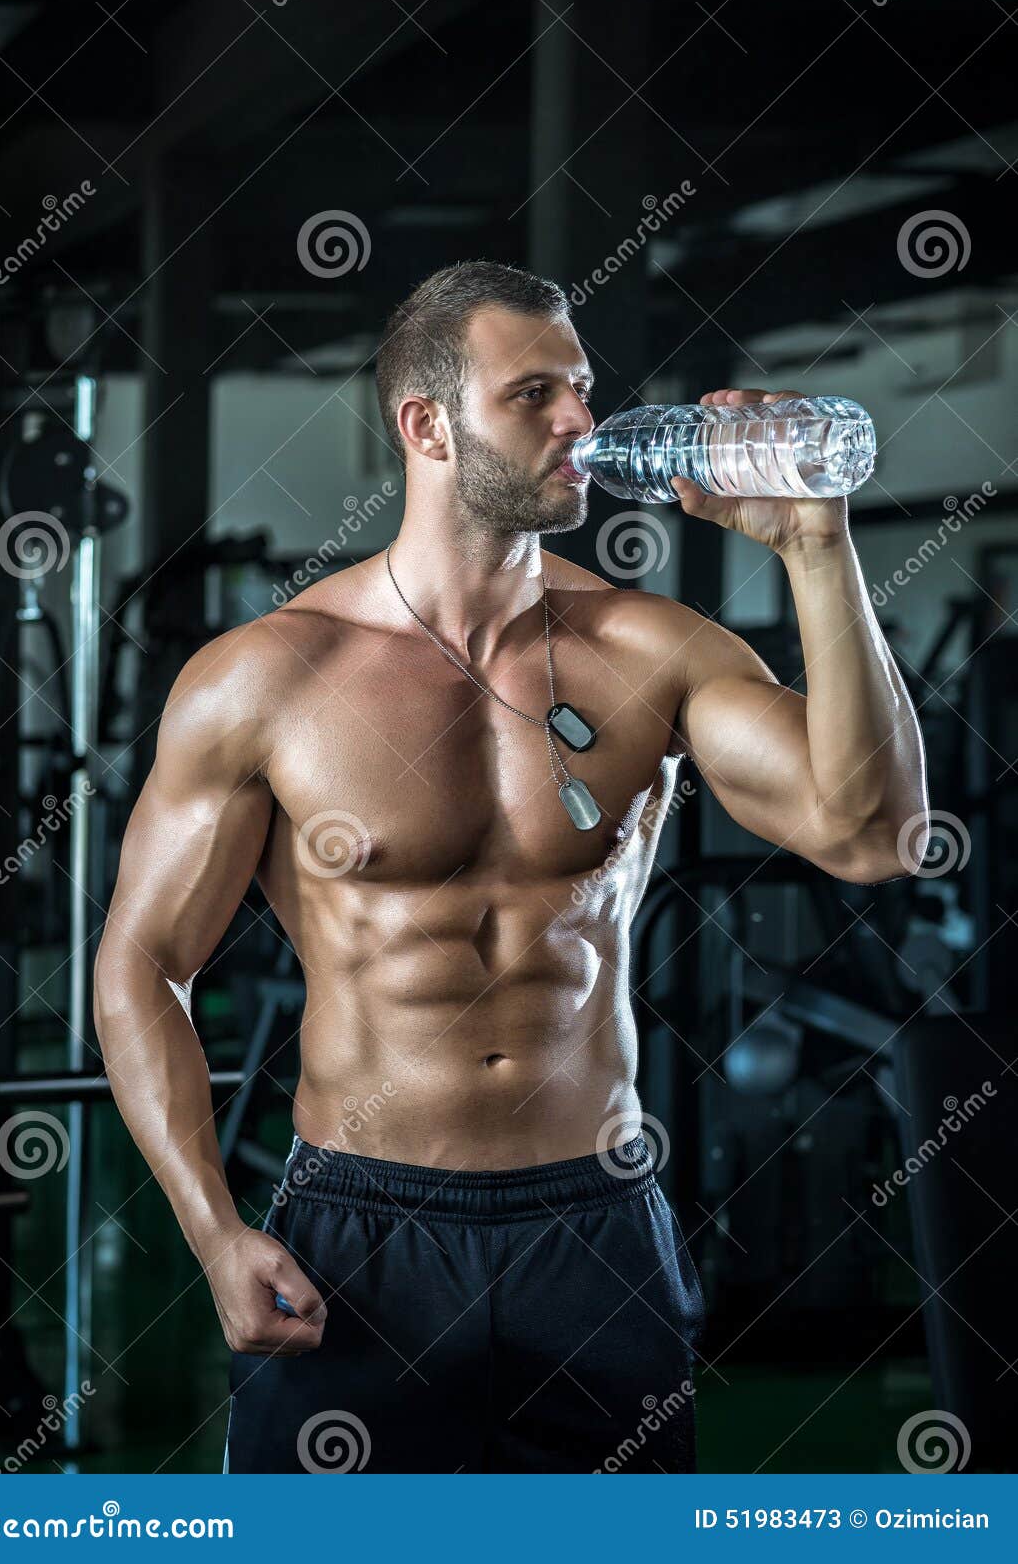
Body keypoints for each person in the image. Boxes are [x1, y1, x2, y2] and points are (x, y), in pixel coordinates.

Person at [93, 260, 930, 1473]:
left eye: (581, 389)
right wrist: (214, 1228)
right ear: (425, 424)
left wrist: (815, 546)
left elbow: (875, 832)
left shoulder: (649, 649)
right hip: (362, 1229)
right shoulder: (268, 676)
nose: (580, 424)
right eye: (533, 393)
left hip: (594, 1229)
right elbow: (141, 963)